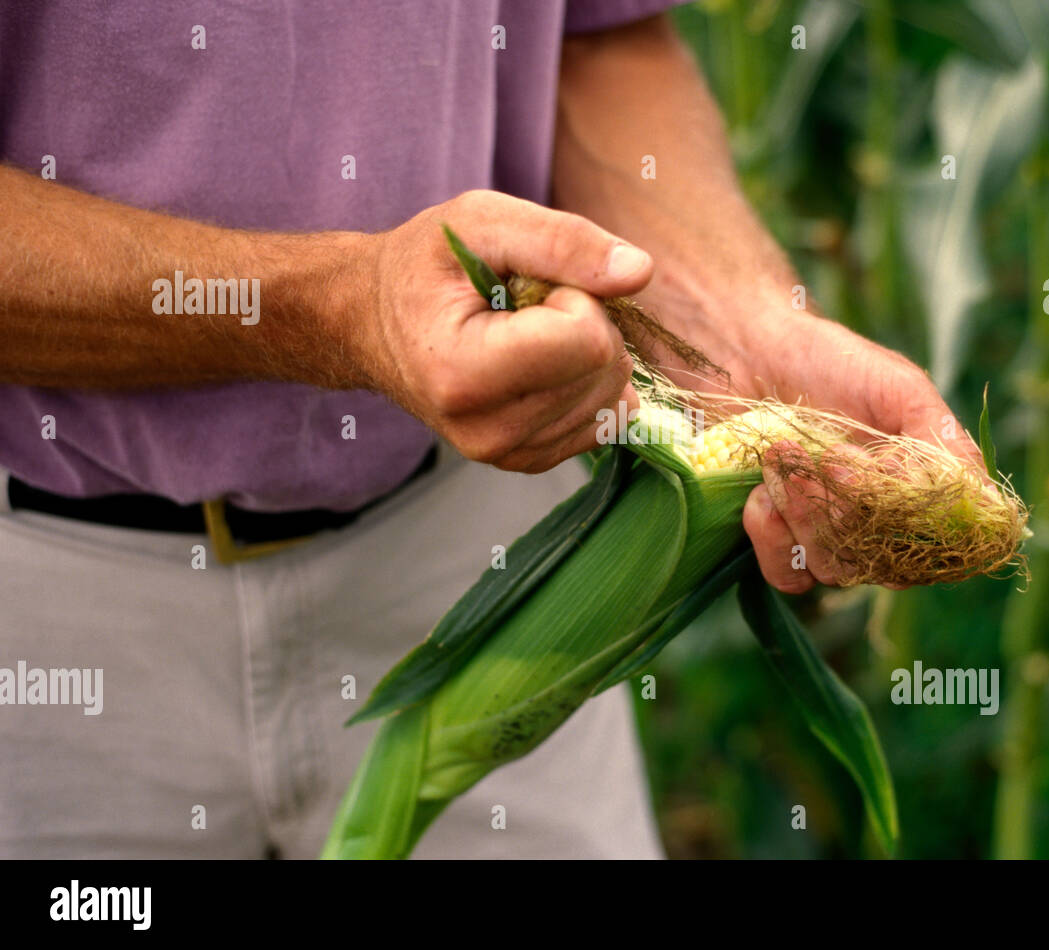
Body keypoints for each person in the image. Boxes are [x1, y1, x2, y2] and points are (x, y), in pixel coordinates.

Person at [0, 2, 984, 858]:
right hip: (56, 610)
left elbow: (600, 45)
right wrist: (335, 309)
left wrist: (748, 331)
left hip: (475, 551)